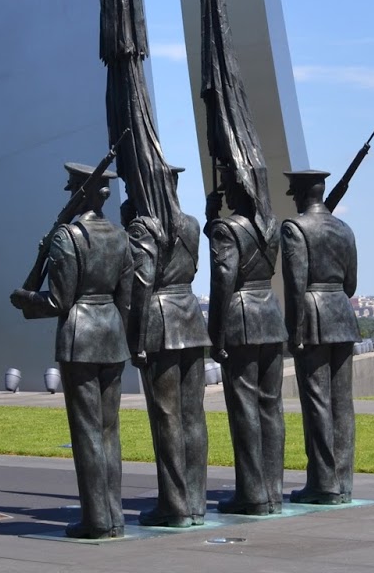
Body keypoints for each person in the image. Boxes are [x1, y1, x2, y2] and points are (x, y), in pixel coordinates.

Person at [11, 163, 132, 540]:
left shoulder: (68, 236)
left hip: (80, 338)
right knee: (109, 432)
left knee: (87, 433)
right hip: (112, 337)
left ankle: (96, 519)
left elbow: (60, 300)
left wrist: (26, 298)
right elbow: (125, 299)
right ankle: (112, 516)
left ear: (80, 192)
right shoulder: (120, 235)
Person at [125, 167, 209, 527]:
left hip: (160, 322)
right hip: (190, 319)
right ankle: (195, 502)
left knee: (167, 417)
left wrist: (136, 337)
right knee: (193, 415)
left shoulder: (143, 228)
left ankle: (174, 505)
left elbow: (142, 284)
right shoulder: (191, 224)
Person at [206, 169, 286, 514]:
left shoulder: (227, 230)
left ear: (237, 194)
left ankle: (251, 494)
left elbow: (224, 278)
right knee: (271, 407)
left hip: (241, 317)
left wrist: (216, 331)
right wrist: (212, 218)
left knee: (244, 409)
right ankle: (273, 490)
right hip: (270, 316)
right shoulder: (273, 226)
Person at [280, 169, 359, 504]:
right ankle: (342, 481)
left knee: (317, 402)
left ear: (299, 194)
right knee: (342, 404)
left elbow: (295, 285)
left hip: (313, 317)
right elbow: (351, 284)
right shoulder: (344, 229)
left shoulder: (295, 228)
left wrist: (293, 330)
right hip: (342, 314)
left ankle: (323, 483)